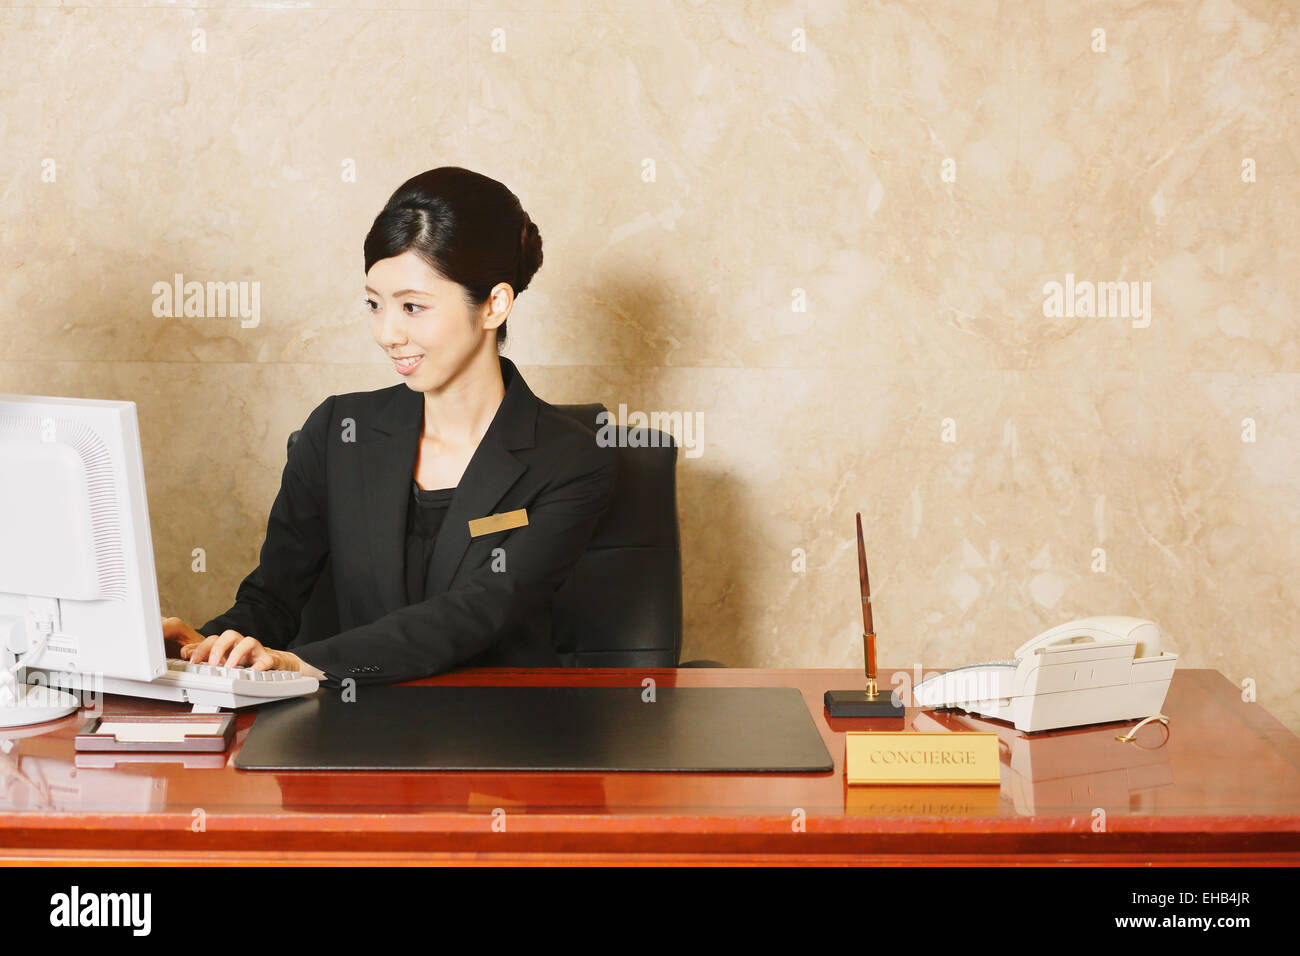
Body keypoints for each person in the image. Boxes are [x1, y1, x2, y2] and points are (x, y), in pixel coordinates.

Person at [161, 167, 617, 685]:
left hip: (496, 734)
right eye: (374, 304)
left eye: (413, 307)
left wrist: (304, 663)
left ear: (494, 304)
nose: (387, 333)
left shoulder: (572, 459)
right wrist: (208, 648)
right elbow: (273, 598)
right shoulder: (339, 430)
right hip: (348, 728)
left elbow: (479, 610)